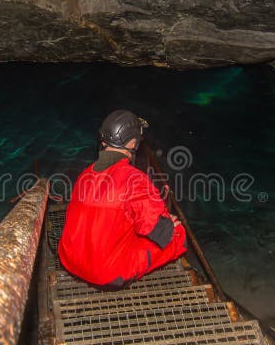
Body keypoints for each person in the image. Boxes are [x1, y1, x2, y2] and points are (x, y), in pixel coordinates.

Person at [58, 110, 187, 290]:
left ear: (103, 142)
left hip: (70, 260)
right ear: (133, 143)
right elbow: (159, 231)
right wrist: (169, 225)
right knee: (178, 234)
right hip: (107, 274)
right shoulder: (134, 179)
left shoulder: (85, 174)